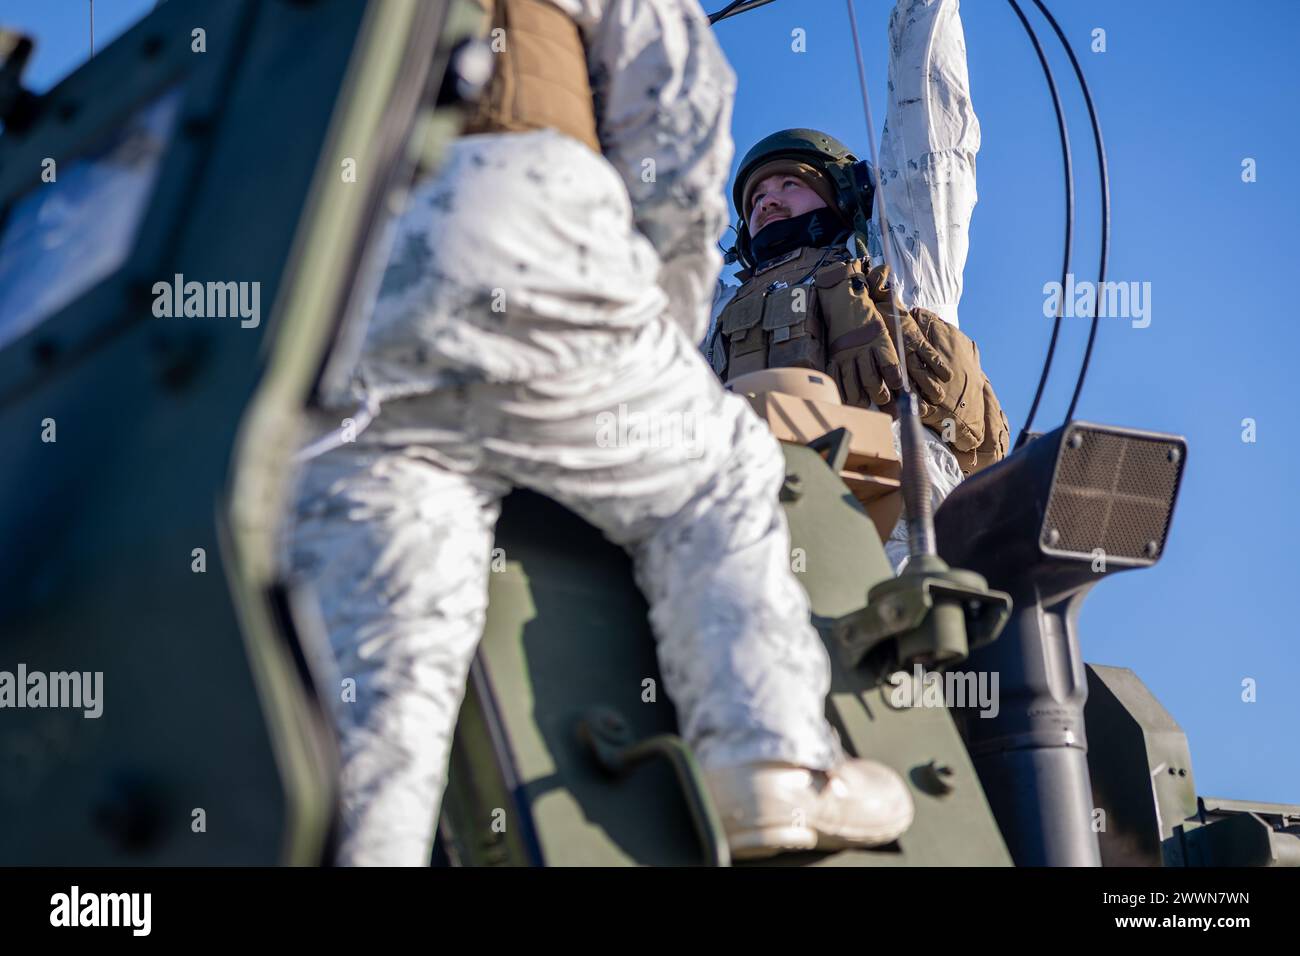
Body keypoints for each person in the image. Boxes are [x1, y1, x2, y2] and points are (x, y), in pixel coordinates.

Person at [283, 0, 914, 866]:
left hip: (349, 286)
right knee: (720, 469)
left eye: (788, 190)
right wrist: (657, 322)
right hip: (518, 218)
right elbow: (679, 111)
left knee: (394, 634)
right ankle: (769, 766)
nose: (770, 205)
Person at [705, 0, 1008, 571]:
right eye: (755, 196)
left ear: (844, 197)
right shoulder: (716, 316)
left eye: (789, 182)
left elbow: (930, 140)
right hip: (750, 530)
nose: (767, 198)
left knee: (907, 647)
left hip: (900, 517)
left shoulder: (905, 267)